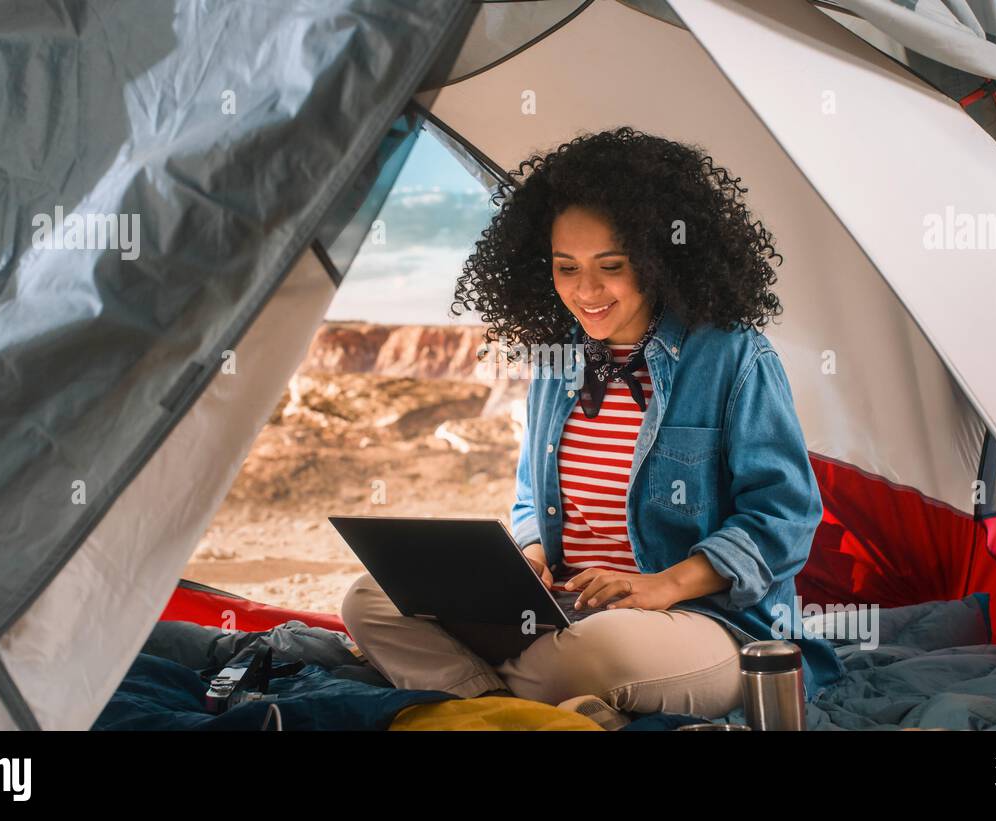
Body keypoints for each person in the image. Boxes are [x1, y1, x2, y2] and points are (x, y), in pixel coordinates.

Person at [341, 126, 843, 728]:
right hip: (562, 611)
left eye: (611, 266)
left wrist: (665, 584)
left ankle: (475, 699)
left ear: (658, 261)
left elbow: (785, 517)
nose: (586, 291)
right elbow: (531, 497)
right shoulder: (557, 360)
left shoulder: (735, 357)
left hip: (705, 623)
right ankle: (519, 709)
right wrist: (527, 553)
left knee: (591, 657)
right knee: (368, 602)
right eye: (565, 267)